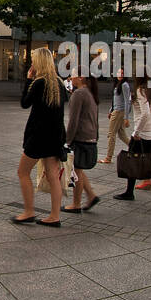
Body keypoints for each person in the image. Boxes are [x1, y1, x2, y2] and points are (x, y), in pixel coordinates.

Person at [14, 47, 68, 226]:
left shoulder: (39, 83)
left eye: (33, 60)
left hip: (38, 137)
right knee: (54, 177)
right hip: (54, 137)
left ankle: (29, 212)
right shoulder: (58, 83)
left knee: (23, 172)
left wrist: (28, 79)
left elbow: (24, 103)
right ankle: (54, 216)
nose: (31, 64)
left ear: (39, 63)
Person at [62, 65, 103, 215]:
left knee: (77, 171)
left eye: (72, 76)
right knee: (78, 170)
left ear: (80, 78)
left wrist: (67, 140)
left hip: (80, 137)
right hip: (90, 136)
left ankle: (76, 204)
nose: (70, 78)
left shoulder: (79, 94)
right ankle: (91, 196)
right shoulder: (90, 92)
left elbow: (74, 121)